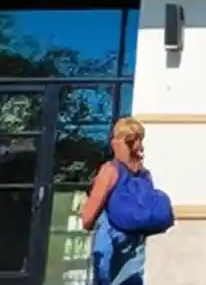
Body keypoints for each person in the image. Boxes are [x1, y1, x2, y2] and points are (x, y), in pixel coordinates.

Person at [82, 117, 149, 285]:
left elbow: (87, 217)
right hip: (135, 243)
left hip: (109, 240)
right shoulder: (144, 175)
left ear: (119, 141)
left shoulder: (110, 171)